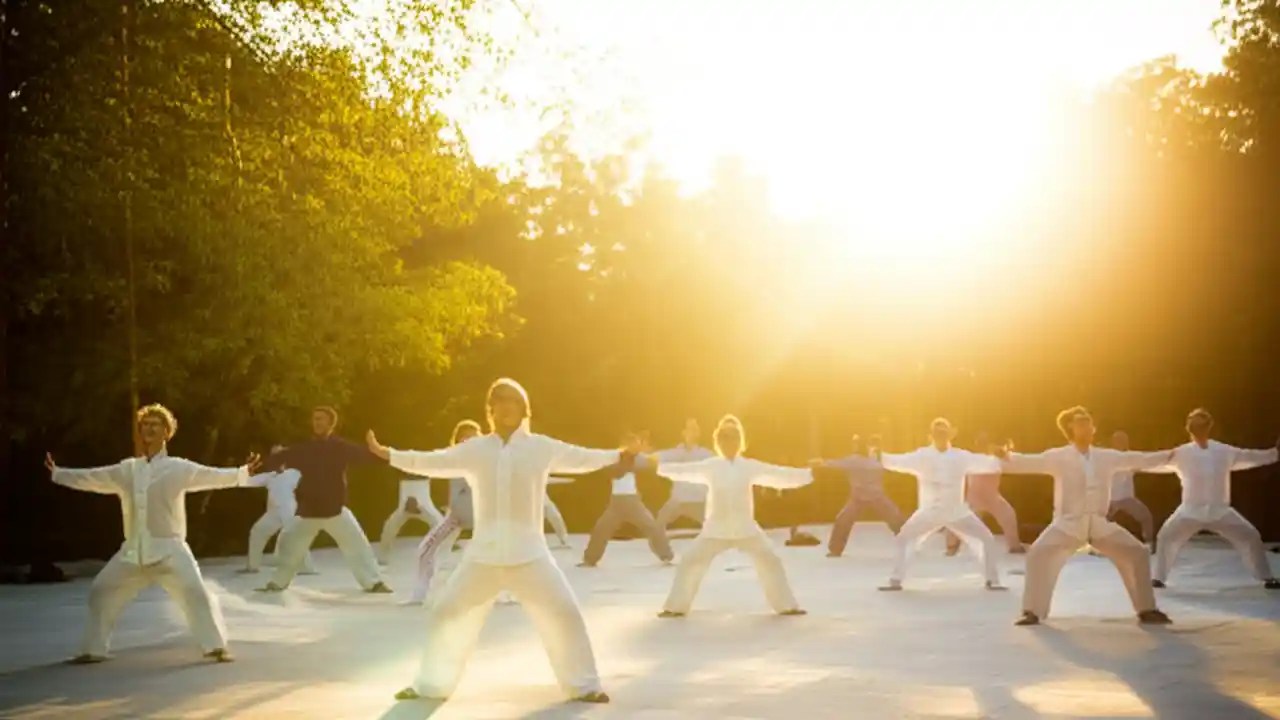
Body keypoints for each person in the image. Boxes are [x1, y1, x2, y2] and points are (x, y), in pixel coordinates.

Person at [368, 378, 638, 704]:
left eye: (513, 401)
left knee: (564, 613)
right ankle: (430, 686)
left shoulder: (541, 447)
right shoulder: (476, 449)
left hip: (531, 555)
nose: (506, 407)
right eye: (499, 402)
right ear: (490, 410)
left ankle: (584, 687)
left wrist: (618, 455)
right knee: (448, 613)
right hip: (483, 557)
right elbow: (435, 461)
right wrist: (390, 454)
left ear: (523, 409)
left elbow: (581, 458)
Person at [46, 403, 259, 664]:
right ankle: (93, 650)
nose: (148, 428)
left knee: (195, 593)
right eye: (144, 425)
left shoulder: (178, 468)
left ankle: (215, 647)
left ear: (166, 432)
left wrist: (241, 473)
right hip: (133, 551)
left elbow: (211, 476)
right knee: (101, 591)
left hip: (170, 550)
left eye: (154, 425)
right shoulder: (128, 469)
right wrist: (59, 474)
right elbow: (94, 478)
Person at [1000, 406, 1173, 626]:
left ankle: (1147, 609)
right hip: (1067, 524)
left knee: (1137, 552)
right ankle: (1031, 611)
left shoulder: (1105, 457)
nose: (1086, 425)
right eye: (1080, 421)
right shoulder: (1059, 456)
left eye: (1089, 421)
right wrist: (1004, 456)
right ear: (1070, 427)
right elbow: (1028, 461)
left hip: (1100, 525)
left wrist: (1170, 456)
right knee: (1038, 555)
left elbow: (1136, 459)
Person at [650, 415, 812, 617]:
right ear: (718, 442)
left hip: (746, 528)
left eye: (734, 438)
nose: (730, 442)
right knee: (690, 562)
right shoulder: (711, 466)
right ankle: (675, 607)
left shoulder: (749, 466)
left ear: (740, 441)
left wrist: (808, 474)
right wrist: (658, 467)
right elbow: (684, 471)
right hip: (715, 530)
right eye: (725, 438)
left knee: (771, 560)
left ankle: (787, 606)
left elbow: (777, 475)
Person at [256, 406, 391, 594]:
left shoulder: (341, 447)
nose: (316, 422)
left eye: (321, 419)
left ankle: (374, 582)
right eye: (314, 419)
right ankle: (277, 583)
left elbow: (367, 456)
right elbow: (277, 460)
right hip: (308, 512)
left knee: (358, 547)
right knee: (289, 546)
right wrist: (267, 460)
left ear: (331, 423)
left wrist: (383, 452)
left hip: (335, 511)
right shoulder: (304, 449)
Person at [1148, 408, 1279, 590]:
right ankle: (1158, 578)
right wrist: (1128, 463)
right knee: (1166, 537)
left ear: (1209, 426)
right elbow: (1154, 460)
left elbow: (1250, 456)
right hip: (1189, 511)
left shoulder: (1223, 451)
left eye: (1201, 423)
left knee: (1250, 536)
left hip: (1221, 511)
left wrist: (1274, 453)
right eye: (1195, 424)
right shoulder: (1182, 453)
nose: (1198, 428)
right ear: (1189, 428)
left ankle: (1268, 578)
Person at [876, 418, 1006, 592]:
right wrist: (880, 456)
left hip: (957, 511)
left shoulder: (961, 456)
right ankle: (895, 580)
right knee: (904, 539)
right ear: (931, 435)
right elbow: (899, 461)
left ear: (950, 433)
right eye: (937, 432)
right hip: (929, 511)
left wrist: (999, 456)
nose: (941, 435)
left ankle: (992, 580)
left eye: (944, 431)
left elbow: (986, 463)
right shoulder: (922, 456)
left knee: (986, 539)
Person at [406, 420, 482, 605]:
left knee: (498, 553)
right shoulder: (450, 458)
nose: (468, 441)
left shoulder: (486, 460)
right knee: (425, 550)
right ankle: (419, 594)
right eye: (464, 437)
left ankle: (505, 594)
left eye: (473, 437)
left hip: (483, 517)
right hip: (455, 516)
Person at [580, 431, 674, 568]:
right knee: (601, 529)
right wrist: (627, 462)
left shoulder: (638, 458)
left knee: (652, 527)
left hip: (633, 502)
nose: (635, 447)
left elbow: (651, 464)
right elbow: (614, 473)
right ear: (624, 445)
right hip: (616, 503)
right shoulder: (613, 457)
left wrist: (643, 457)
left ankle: (666, 556)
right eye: (632, 444)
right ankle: (590, 559)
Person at [821, 433, 904, 558]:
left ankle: (835, 549)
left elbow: (836, 464)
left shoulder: (858, 460)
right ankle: (835, 549)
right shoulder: (869, 459)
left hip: (871, 496)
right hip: (864, 497)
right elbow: (837, 464)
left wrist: (821, 463)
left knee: (843, 521)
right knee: (895, 518)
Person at [943, 431, 1025, 556]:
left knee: (1009, 517)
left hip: (993, 497)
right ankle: (951, 545)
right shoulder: (971, 459)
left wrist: (1006, 451)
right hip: (974, 499)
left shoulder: (997, 458)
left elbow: (1011, 460)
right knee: (956, 519)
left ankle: (1015, 546)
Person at [242, 450, 316, 574]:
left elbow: (310, 482)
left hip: (289, 511)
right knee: (257, 531)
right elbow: (247, 482)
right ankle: (252, 566)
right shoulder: (270, 476)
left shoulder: (293, 473)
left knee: (295, 537)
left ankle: (307, 567)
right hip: (274, 513)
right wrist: (247, 469)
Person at [653, 419, 716, 529]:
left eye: (695, 429)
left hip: (698, 500)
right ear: (684, 432)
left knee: (713, 526)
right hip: (677, 500)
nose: (692, 432)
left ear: (698, 433)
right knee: (658, 523)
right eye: (690, 429)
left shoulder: (705, 454)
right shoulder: (677, 452)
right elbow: (661, 456)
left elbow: (720, 461)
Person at [377, 468, 446, 566]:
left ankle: (444, 551)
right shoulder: (404, 508)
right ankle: (383, 555)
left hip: (421, 493)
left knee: (441, 525)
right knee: (389, 526)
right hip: (409, 490)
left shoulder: (424, 507)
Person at [1104, 430, 1155, 551]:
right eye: (1119, 441)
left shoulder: (1132, 457)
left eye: (1124, 441)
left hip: (1128, 498)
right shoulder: (1108, 457)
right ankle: (1098, 547)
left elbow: (1146, 463)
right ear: (1114, 443)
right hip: (1111, 499)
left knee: (1146, 517)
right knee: (1100, 523)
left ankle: (1149, 543)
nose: (1122, 443)